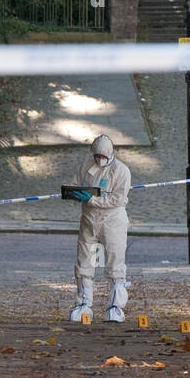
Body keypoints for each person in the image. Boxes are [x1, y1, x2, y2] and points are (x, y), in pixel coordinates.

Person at [68, 134, 131, 322]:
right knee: (84, 262)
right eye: (97, 156)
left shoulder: (121, 170)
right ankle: (83, 304)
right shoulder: (87, 166)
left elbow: (117, 199)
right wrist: (73, 193)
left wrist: (92, 200)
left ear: (110, 154)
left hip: (112, 222)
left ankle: (115, 307)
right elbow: (74, 183)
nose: (100, 159)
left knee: (114, 262)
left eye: (103, 156)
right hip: (89, 221)